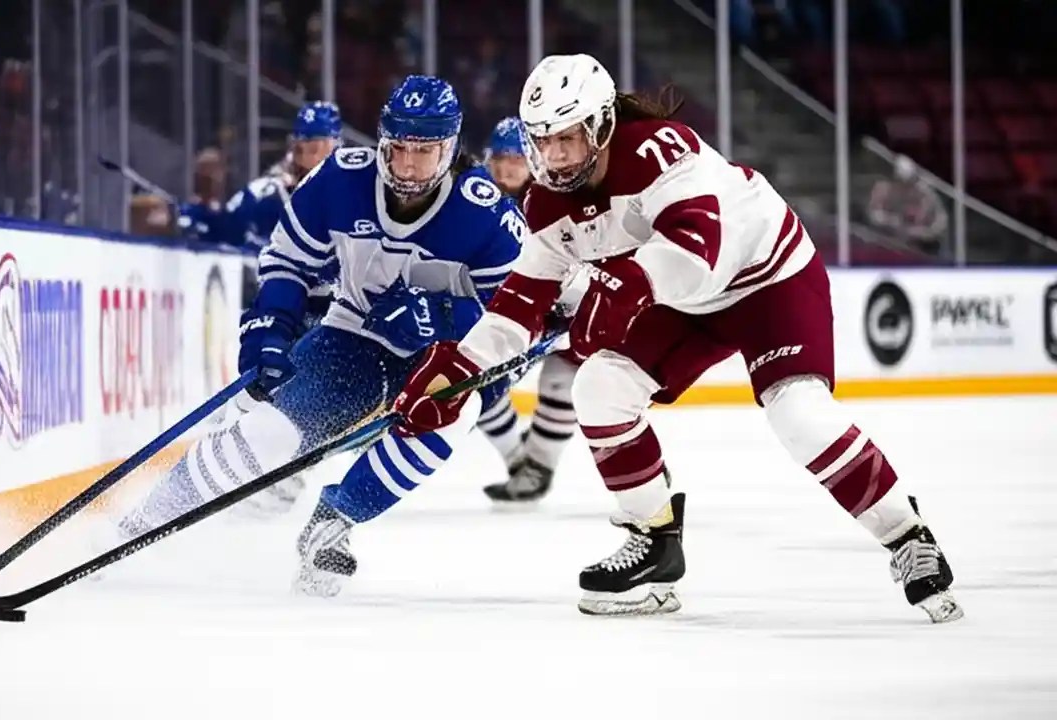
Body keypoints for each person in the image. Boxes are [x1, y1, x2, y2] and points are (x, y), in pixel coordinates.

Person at [393, 54, 962, 624]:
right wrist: (460, 370)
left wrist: (623, 287)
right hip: (675, 297)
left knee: (799, 413)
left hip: (767, 279)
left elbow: (697, 252)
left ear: (600, 125)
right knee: (599, 387)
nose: (555, 155)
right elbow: (518, 307)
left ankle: (907, 534)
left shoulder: (659, 150)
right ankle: (655, 541)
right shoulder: (544, 204)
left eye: (567, 138)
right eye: (543, 140)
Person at [116, 76, 526, 598]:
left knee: (452, 416)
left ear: (449, 149)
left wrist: (440, 316)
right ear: (381, 139)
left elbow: (516, 317)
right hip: (351, 335)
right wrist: (271, 328)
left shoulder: (486, 213)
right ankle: (145, 521)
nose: (407, 166)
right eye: (398, 149)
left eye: (424, 153)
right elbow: (287, 261)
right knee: (267, 433)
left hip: (444, 357)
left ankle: (335, 520)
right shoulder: (340, 179)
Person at [476, 115, 582, 505]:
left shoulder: (558, 197)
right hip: (497, 312)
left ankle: (538, 465)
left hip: (561, 310)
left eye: (516, 159)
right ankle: (520, 461)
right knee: (477, 383)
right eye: (499, 159)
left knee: (566, 377)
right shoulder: (470, 201)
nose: (506, 169)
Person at [178, 101, 342, 247]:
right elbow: (223, 234)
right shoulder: (262, 195)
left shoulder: (347, 197)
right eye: (307, 149)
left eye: (320, 148)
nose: (316, 158)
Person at [866, 154, 948, 255]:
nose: (906, 186)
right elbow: (874, 215)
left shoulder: (924, 193)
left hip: (919, 246)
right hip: (888, 242)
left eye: (909, 182)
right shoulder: (883, 189)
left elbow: (941, 220)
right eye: (901, 182)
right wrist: (891, 221)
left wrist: (924, 232)